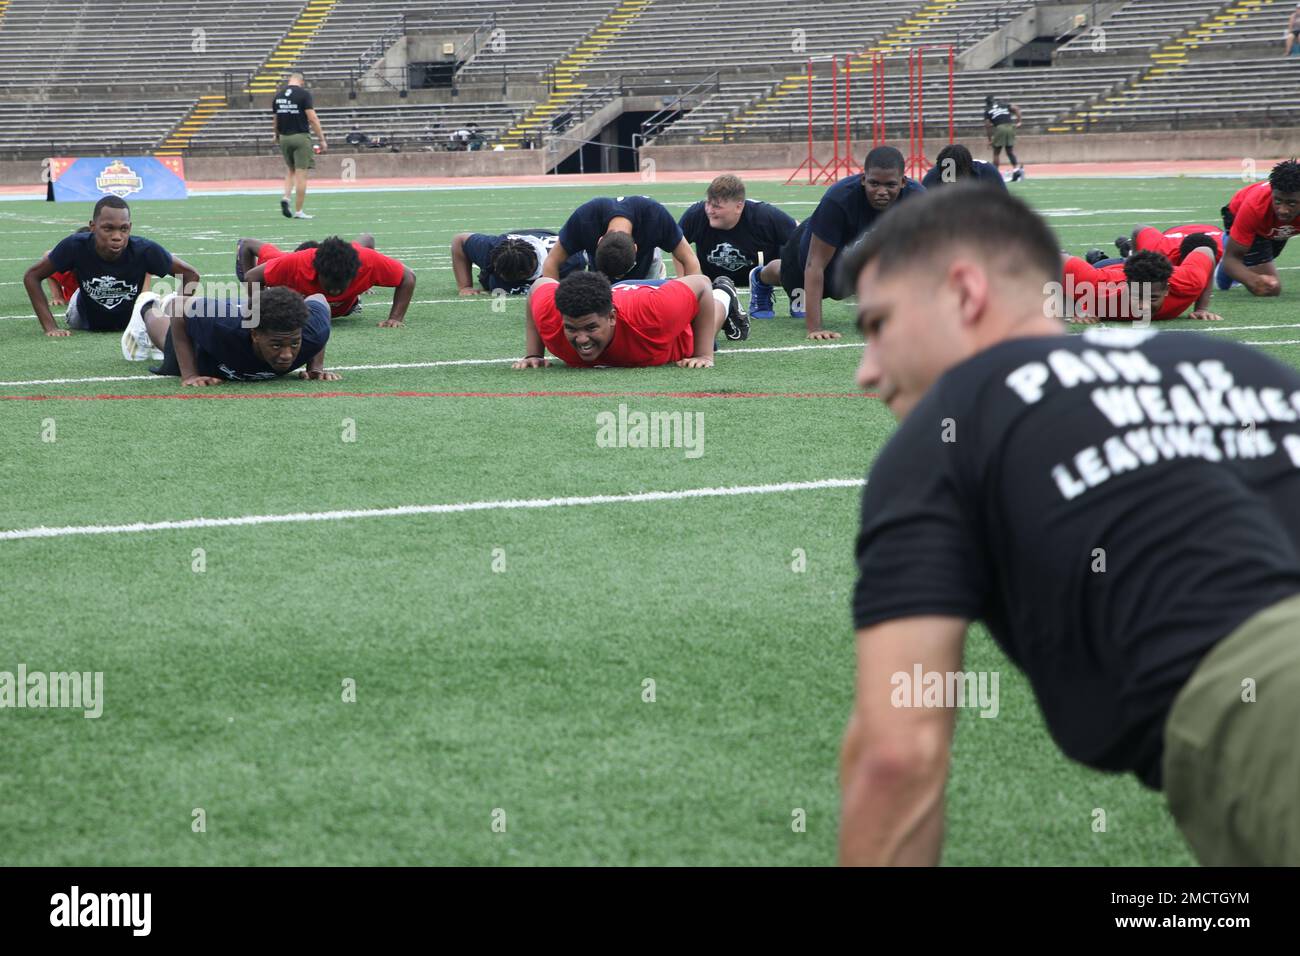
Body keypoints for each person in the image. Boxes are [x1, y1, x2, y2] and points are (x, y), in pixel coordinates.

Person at [839, 184, 1300, 867]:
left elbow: (896, 757)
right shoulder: (1248, 370)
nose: (866, 373)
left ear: (965, 293)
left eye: (877, 325)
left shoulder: (955, 420)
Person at [749, 146, 923, 339]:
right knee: (792, 279)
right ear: (863, 180)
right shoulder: (840, 198)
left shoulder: (919, 201)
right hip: (808, 250)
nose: (882, 191)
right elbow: (814, 264)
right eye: (874, 183)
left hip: (856, 253)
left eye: (890, 185)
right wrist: (815, 328)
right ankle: (760, 277)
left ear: (903, 182)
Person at [22, 196, 200, 361]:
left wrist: (177, 320)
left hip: (128, 319)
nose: (117, 236)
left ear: (130, 227)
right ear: (92, 226)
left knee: (154, 302)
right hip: (82, 315)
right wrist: (50, 327)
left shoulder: (144, 249)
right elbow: (32, 276)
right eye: (108, 228)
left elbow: (191, 274)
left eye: (123, 229)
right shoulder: (75, 245)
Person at [511, 270, 742, 370]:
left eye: (590, 328)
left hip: (651, 306)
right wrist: (534, 355)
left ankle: (724, 293)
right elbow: (538, 287)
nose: (581, 339)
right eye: (571, 329)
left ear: (611, 317)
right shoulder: (552, 317)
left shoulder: (655, 314)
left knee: (703, 335)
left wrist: (703, 355)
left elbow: (701, 283)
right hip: (620, 294)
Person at [142, 286, 336, 386]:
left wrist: (315, 368)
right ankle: (147, 305)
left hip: (246, 310)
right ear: (255, 335)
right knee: (165, 341)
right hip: (206, 350)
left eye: (294, 344)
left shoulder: (313, 334)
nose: (287, 355)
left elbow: (319, 300)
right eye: (276, 346)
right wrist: (190, 375)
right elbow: (179, 307)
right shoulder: (223, 328)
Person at [678, 175, 796, 312]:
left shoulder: (763, 215)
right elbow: (677, 243)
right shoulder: (696, 214)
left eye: (717, 206)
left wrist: (796, 278)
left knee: (788, 264)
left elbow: (800, 235)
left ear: (739, 207)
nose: (709, 210)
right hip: (715, 281)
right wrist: (684, 281)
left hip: (764, 276)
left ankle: (768, 287)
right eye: (708, 203)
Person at [241, 235, 415, 327]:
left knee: (359, 246)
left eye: (341, 284)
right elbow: (251, 276)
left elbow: (408, 277)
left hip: (347, 308)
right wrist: (260, 314)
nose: (334, 291)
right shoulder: (294, 263)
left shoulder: (367, 262)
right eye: (330, 284)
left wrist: (395, 318)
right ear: (317, 270)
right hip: (296, 292)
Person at [542, 195, 700, 282]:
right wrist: (554, 308)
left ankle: (657, 272)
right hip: (600, 274)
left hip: (646, 268)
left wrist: (688, 299)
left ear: (636, 247)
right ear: (598, 241)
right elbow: (551, 262)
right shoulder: (585, 218)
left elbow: (689, 259)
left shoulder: (654, 215)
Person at [1062, 245, 1222, 323]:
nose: (1143, 306)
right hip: (1106, 269)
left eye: (1152, 298)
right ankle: (1100, 259)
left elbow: (1205, 251)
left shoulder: (1188, 282)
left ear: (1166, 289)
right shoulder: (1098, 287)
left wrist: (1201, 309)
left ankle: (1127, 250)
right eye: (1137, 296)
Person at [1214, 158, 1300, 297]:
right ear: (1272, 192)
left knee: (1270, 253)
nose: (1283, 210)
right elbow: (1232, 259)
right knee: (1271, 289)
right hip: (1239, 214)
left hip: (1272, 226)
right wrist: (1252, 280)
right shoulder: (1254, 208)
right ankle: (1229, 247)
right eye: (1277, 201)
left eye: (1291, 204)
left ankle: (1245, 258)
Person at [450, 230, 587, 295]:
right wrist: (465, 286)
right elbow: (459, 240)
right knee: (492, 282)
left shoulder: (569, 261)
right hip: (519, 241)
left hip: (548, 241)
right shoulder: (491, 248)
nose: (506, 279)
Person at [274, 72, 327, 219]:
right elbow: (312, 118)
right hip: (300, 137)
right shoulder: (304, 95)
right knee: (301, 174)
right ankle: (298, 211)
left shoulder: (279, 95)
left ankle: (286, 197)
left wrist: (276, 135)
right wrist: (321, 139)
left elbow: (276, 119)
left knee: (290, 170)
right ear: (301, 81)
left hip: (284, 137)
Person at [1116, 222, 1225, 263]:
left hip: (1211, 230)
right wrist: (1135, 258)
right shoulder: (1160, 253)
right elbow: (1139, 228)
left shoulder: (1226, 250)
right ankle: (1128, 247)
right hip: (1173, 234)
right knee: (1141, 261)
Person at [921, 144, 1007, 190]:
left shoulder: (988, 173)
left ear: (968, 168)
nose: (951, 180)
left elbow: (1005, 207)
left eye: (955, 175)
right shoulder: (931, 178)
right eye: (947, 176)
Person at [983, 94, 1023, 181]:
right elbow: (1016, 108)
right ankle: (1016, 170)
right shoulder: (1002, 104)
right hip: (1010, 126)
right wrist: (1019, 121)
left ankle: (995, 174)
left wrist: (990, 140)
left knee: (996, 152)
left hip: (1000, 128)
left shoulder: (987, 110)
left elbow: (987, 126)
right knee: (1009, 151)